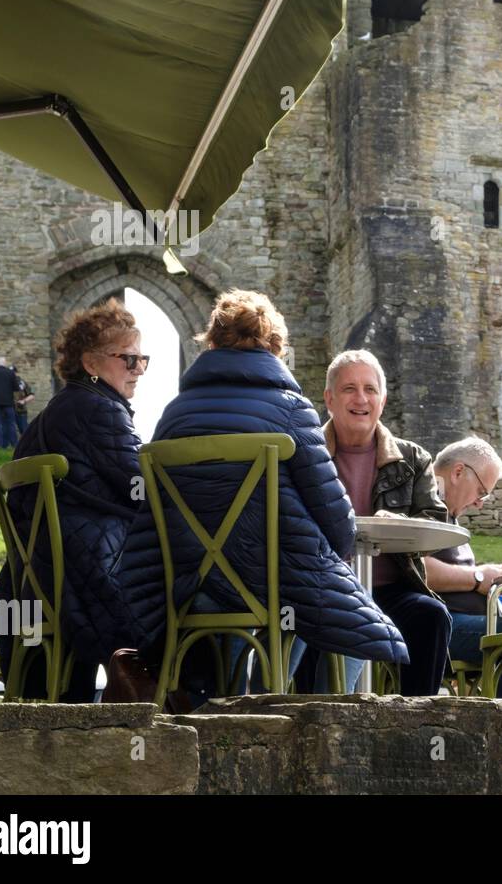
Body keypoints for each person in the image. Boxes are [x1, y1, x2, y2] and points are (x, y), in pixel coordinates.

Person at [119, 291, 406, 699]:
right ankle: (312, 717)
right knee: (347, 612)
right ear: (275, 347)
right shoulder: (291, 409)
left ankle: (241, 700)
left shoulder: (174, 416)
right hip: (270, 586)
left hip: (188, 586)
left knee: (294, 597)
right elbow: (337, 523)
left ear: (212, 343)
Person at [0, 299, 149, 702]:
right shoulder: (100, 410)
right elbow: (145, 487)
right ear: (91, 364)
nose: (139, 370)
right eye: (128, 359)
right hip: (84, 570)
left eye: (142, 359)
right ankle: (185, 704)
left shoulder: (53, 412)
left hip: (35, 576)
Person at [322, 349, 451, 697]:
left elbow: (436, 521)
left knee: (431, 615)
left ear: (383, 399)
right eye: (349, 389)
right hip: (326, 588)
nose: (361, 399)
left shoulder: (412, 458)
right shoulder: (309, 455)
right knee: (307, 625)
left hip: (392, 590)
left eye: (370, 389)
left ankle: (419, 722)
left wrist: (400, 521)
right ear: (330, 399)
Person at [425, 437, 502, 682]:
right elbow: (415, 568)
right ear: (458, 472)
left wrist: (493, 576)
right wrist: (479, 577)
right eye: (481, 492)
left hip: (466, 621)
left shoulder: (445, 510)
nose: (479, 503)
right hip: (439, 624)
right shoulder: (423, 500)